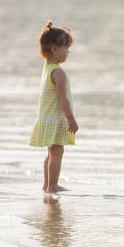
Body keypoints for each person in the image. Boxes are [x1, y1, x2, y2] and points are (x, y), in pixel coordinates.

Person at [30, 19, 78, 194]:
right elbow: (62, 98)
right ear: (54, 49)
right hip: (55, 120)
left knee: (51, 153)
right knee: (58, 152)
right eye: (67, 48)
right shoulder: (58, 72)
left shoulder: (47, 69)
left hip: (46, 119)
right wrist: (71, 118)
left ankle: (46, 184)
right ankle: (52, 185)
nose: (68, 53)